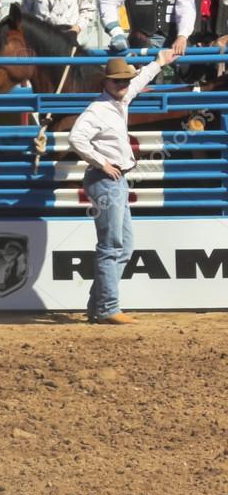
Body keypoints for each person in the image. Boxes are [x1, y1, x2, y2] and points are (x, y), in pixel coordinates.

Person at [68, 49, 179, 324]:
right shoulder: (97, 110)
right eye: (117, 81)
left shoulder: (119, 100)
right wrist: (102, 162)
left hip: (112, 180)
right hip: (106, 179)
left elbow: (138, 81)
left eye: (124, 81)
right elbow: (76, 138)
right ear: (105, 82)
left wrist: (159, 62)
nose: (123, 85)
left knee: (122, 245)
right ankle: (107, 307)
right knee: (113, 245)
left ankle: (99, 304)